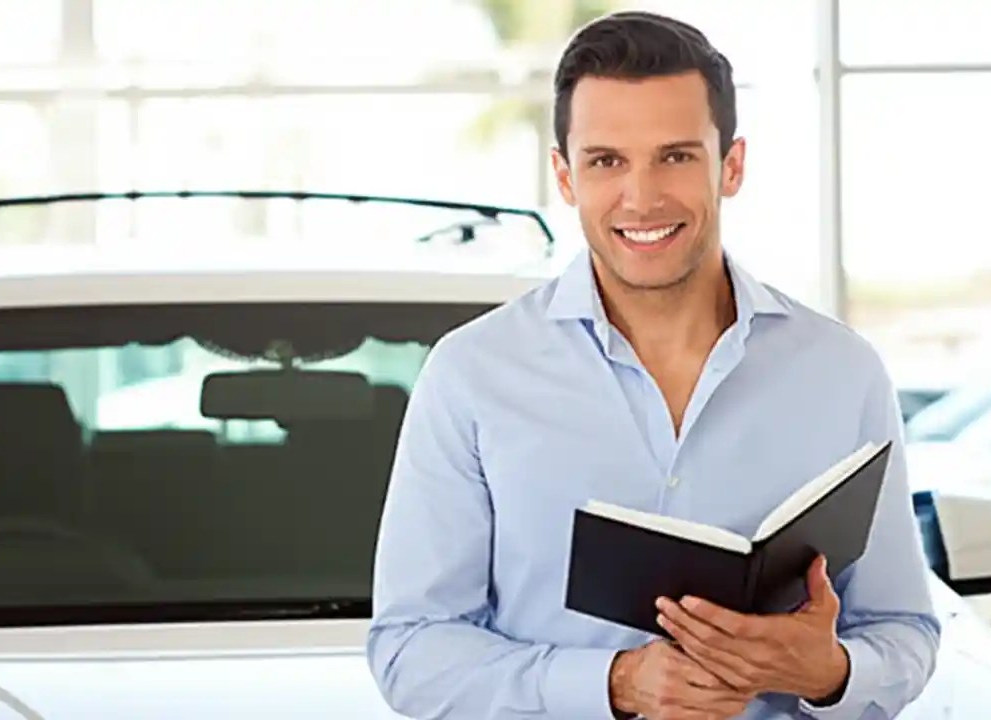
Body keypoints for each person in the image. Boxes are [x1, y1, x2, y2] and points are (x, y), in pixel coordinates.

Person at [366, 10, 940, 719]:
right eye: (607, 161)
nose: (641, 197)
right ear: (565, 175)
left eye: (675, 156)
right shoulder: (471, 376)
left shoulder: (842, 373)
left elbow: (905, 631)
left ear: (731, 165)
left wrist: (831, 672)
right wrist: (616, 682)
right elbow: (410, 651)